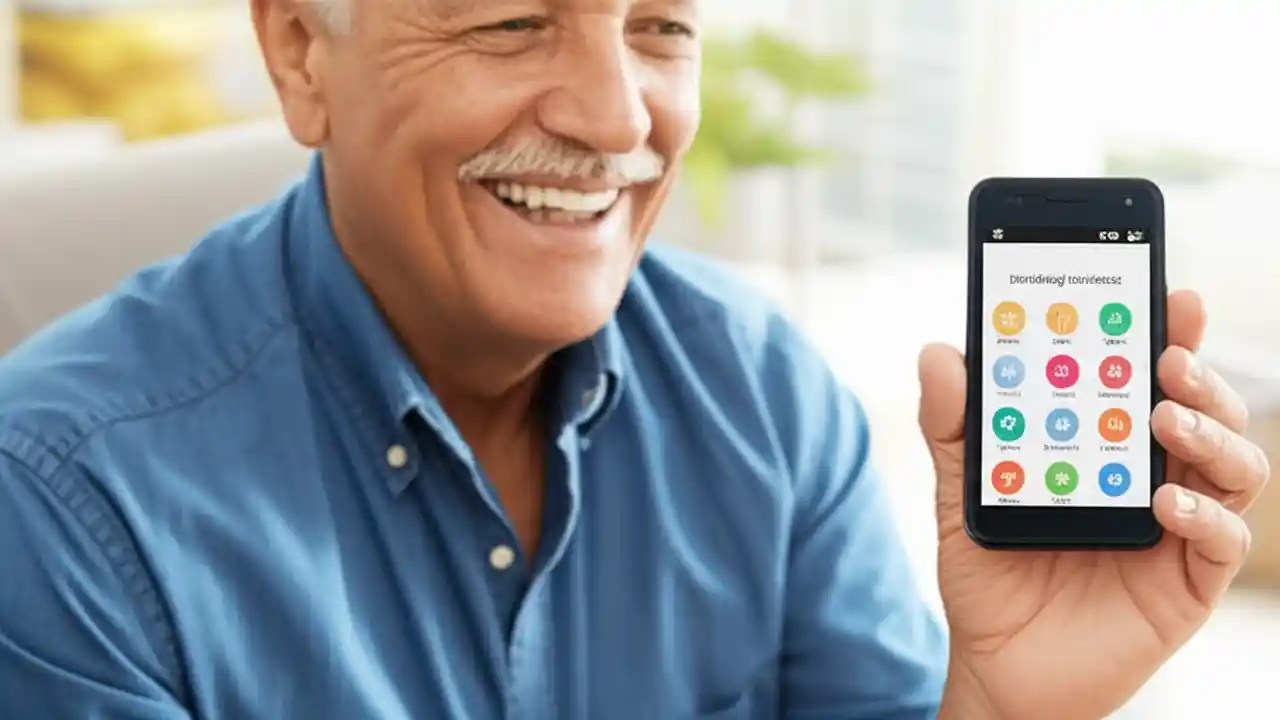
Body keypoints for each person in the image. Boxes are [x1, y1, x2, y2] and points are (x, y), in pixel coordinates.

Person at [0, 1, 1269, 718]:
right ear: (298, 52)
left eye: (659, 26)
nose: (616, 118)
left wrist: (1001, 706)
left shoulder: (769, 400)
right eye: (506, 21)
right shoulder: (55, 501)